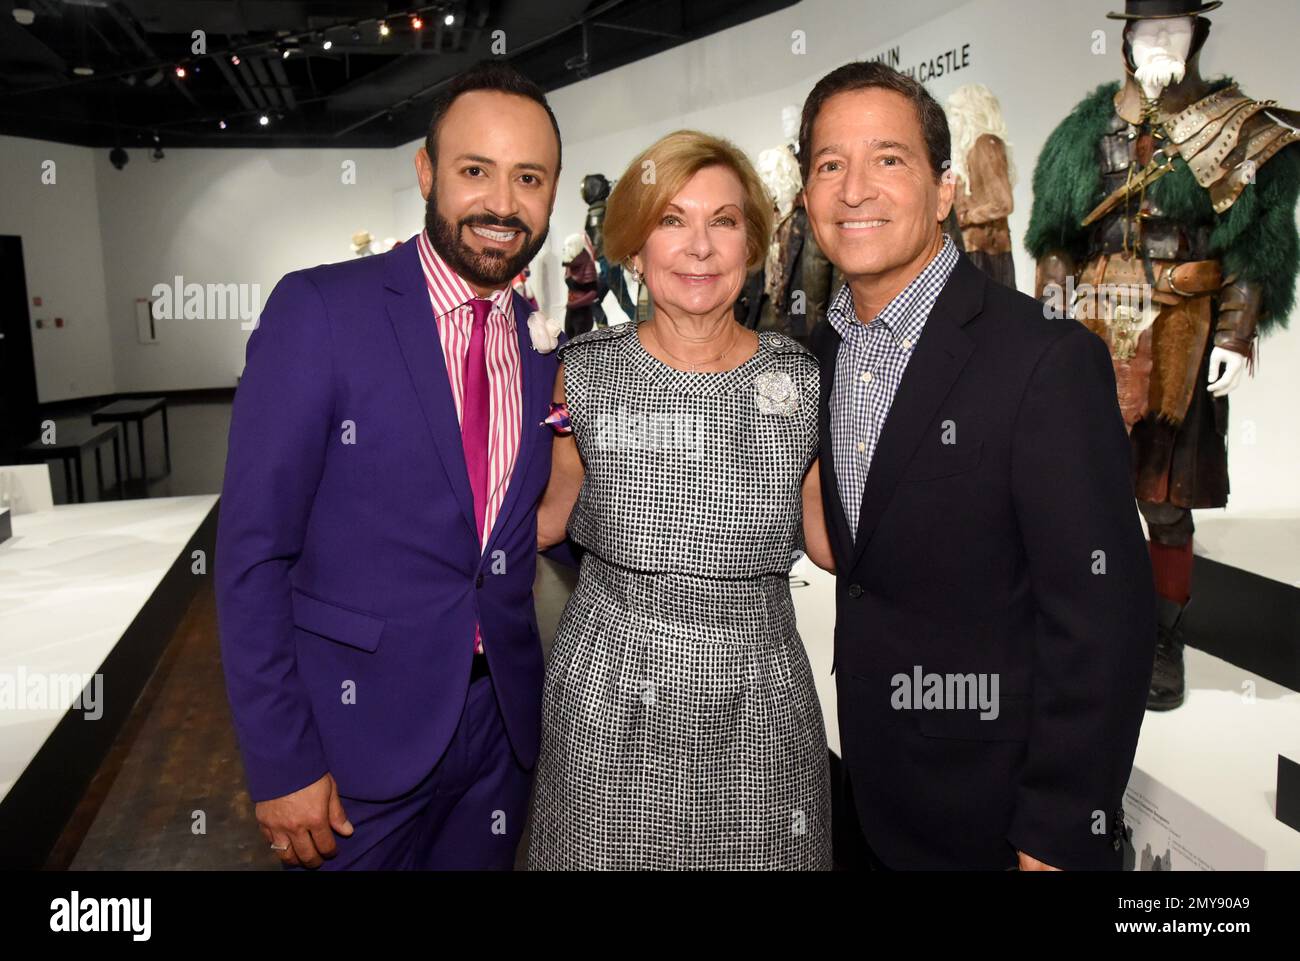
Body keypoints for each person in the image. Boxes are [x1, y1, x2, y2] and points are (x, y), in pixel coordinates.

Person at [803, 61, 1155, 870]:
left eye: (888, 158)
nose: (855, 188)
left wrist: (1059, 831)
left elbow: (1104, 618)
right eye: (830, 164)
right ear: (807, 195)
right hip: (873, 793)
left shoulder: (1045, 361)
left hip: (997, 821)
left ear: (946, 189)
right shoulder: (825, 353)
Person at [215, 61, 564, 870]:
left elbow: (530, 522)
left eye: (528, 178)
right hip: (351, 751)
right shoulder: (320, 310)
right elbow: (252, 551)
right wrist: (282, 758)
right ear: (426, 172)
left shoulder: (541, 346)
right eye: (475, 170)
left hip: (499, 734)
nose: (502, 204)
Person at [526, 130, 835, 870]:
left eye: (724, 221)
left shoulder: (802, 379)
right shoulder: (584, 375)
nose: (700, 247)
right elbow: (546, 520)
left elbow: (831, 541)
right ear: (634, 248)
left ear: (752, 245)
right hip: (609, 693)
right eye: (672, 221)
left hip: (760, 703)